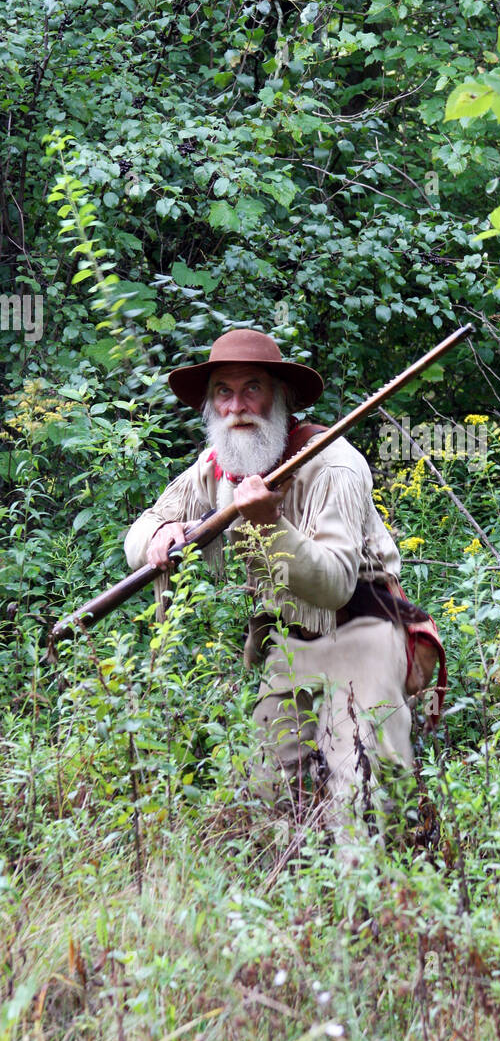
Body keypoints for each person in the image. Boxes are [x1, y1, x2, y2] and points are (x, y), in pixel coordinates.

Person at [124, 328, 442, 844]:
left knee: (363, 791)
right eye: (223, 392)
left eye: (252, 388)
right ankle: (294, 914)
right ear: (210, 406)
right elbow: (140, 532)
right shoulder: (213, 470)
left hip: (363, 627)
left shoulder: (334, 462)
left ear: (280, 397)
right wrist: (159, 533)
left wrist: (270, 525)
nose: (237, 407)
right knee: (273, 799)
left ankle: (383, 906)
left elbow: (336, 585)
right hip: (290, 642)